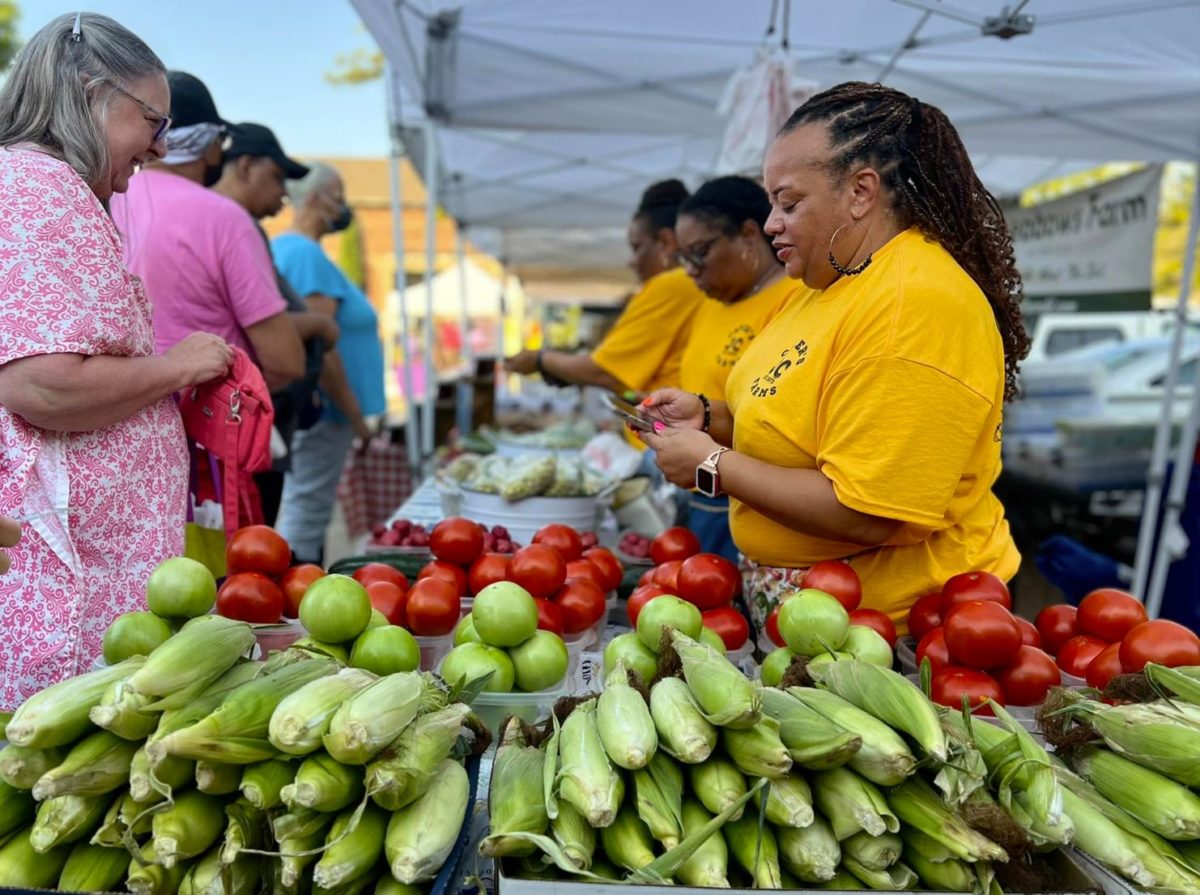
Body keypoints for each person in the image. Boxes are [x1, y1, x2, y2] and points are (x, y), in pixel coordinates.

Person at [643, 82, 1028, 632]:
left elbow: (865, 510)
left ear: (861, 192)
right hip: (820, 616)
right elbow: (800, 427)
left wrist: (711, 465)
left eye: (789, 202)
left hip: (897, 628)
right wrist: (708, 418)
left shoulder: (912, 303)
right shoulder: (827, 283)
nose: (771, 223)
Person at [0, 13, 232, 706]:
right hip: (67, 601)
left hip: (83, 586)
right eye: (151, 121)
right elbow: (41, 384)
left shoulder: (38, 186)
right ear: (89, 93)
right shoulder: (38, 189)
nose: (159, 146)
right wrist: (180, 365)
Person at [110, 72, 305, 392]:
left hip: (123, 409)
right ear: (211, 146)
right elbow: (286, 362)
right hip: (201, 415)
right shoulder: (225, 218)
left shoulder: (106, 201)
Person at [213, 122, 348, 523]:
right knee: (253, 538)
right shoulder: (232, 226)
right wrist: (319, 326)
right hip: (247, 420)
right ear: (245, 167)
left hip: (263, 419)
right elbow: (258, 322)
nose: (283, 195)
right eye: (276, 178)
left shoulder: (245, 229)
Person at [672, 176, 796, 562]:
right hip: (703, 490)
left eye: (700, 253)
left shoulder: (793, 300)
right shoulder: (712, 305)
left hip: (753, 500)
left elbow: (781, 424)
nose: (691, 270)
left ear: (748, 234)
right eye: (683, 258)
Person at [272, 163, 385, 564]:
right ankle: (297, 588)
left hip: (321, 410)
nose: (343, 206)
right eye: (338, 196)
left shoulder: (296, 251)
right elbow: (321, 347)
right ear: (316, 198)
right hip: (326, 412)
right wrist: (355, 414)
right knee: (307, 512)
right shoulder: (305, 255)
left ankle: (296, 581)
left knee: (305, 507)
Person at [504, 180, 707, 396]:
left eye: (637, 247)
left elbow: (605, 371)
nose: (631, 262)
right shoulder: (687, 286)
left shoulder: (674, 284)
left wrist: (540, 359)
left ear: (666, 242)